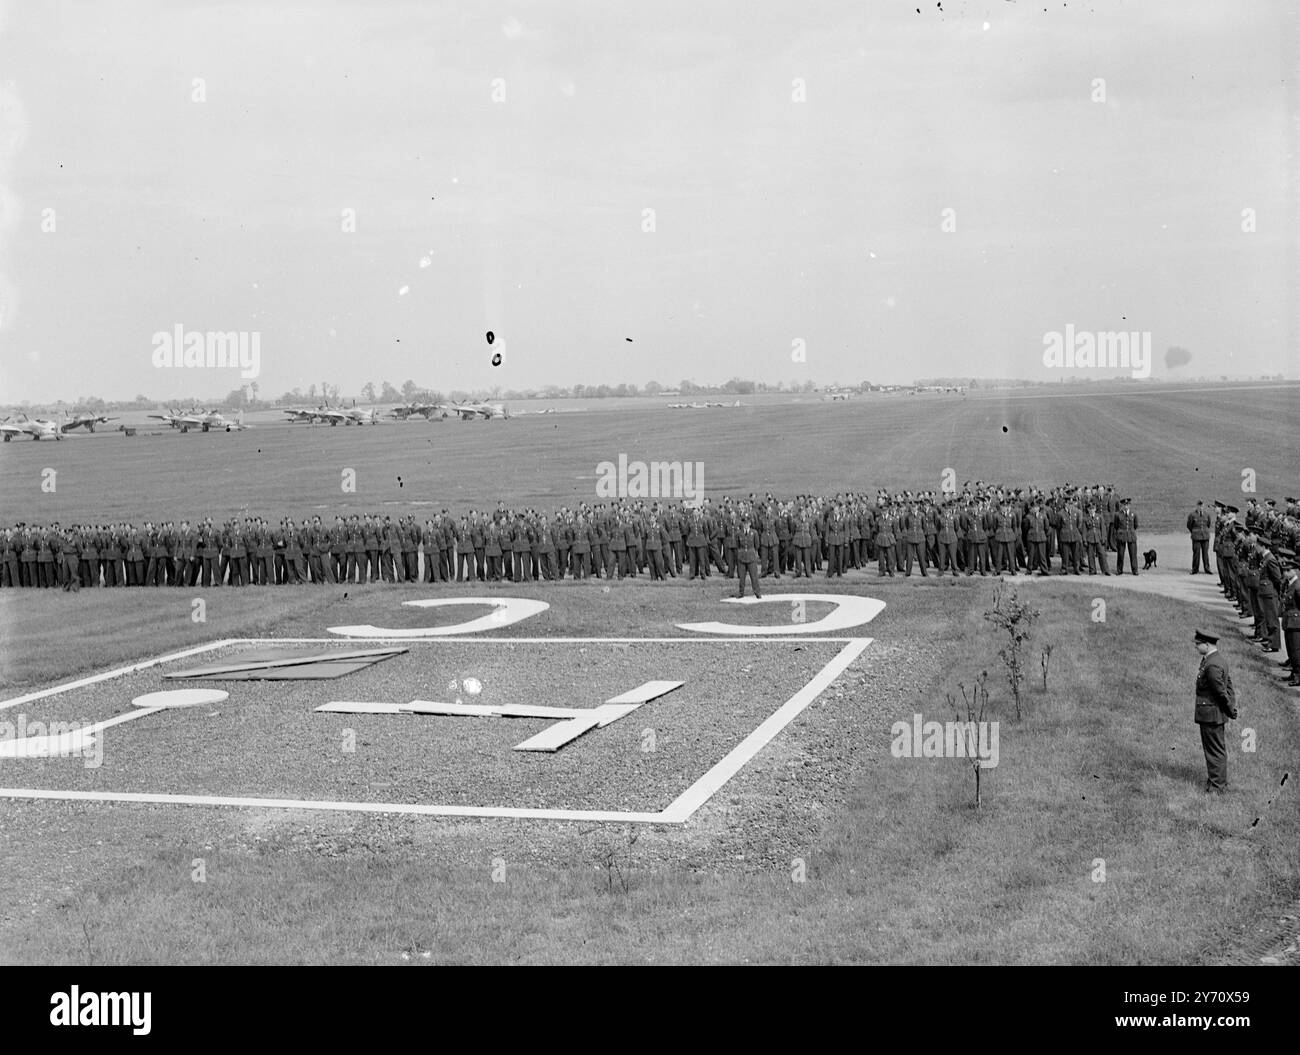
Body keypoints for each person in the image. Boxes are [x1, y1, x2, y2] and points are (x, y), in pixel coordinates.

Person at [1193, 629, 1237, 793]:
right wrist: (1231, 707)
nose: (1196, 647)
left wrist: (1230, 709)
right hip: (1213, 713)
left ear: (1207, 644)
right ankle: (1216, 781)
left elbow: (1220, 691)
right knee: (1215, 749)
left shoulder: (1212, 664)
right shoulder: (1217, 660)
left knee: (1214, 751)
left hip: (1211, 715)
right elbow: (1229, 686)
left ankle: (1217, 786)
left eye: (1198, 644)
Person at [1187, 500, 1212, 574]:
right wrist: (1194, 531)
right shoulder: (1192, 515)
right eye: (1199, 506)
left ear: (1203, 506)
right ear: (1197, 506)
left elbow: (1208, 524)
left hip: (1205, 536)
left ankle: (1207, 568)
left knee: (1205, 553)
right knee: (1196, 553)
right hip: (1196, 536)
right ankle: (1195, 569)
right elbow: (1189, 525)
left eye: (1202, 506)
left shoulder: (1207, 514)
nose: (1200, 507)